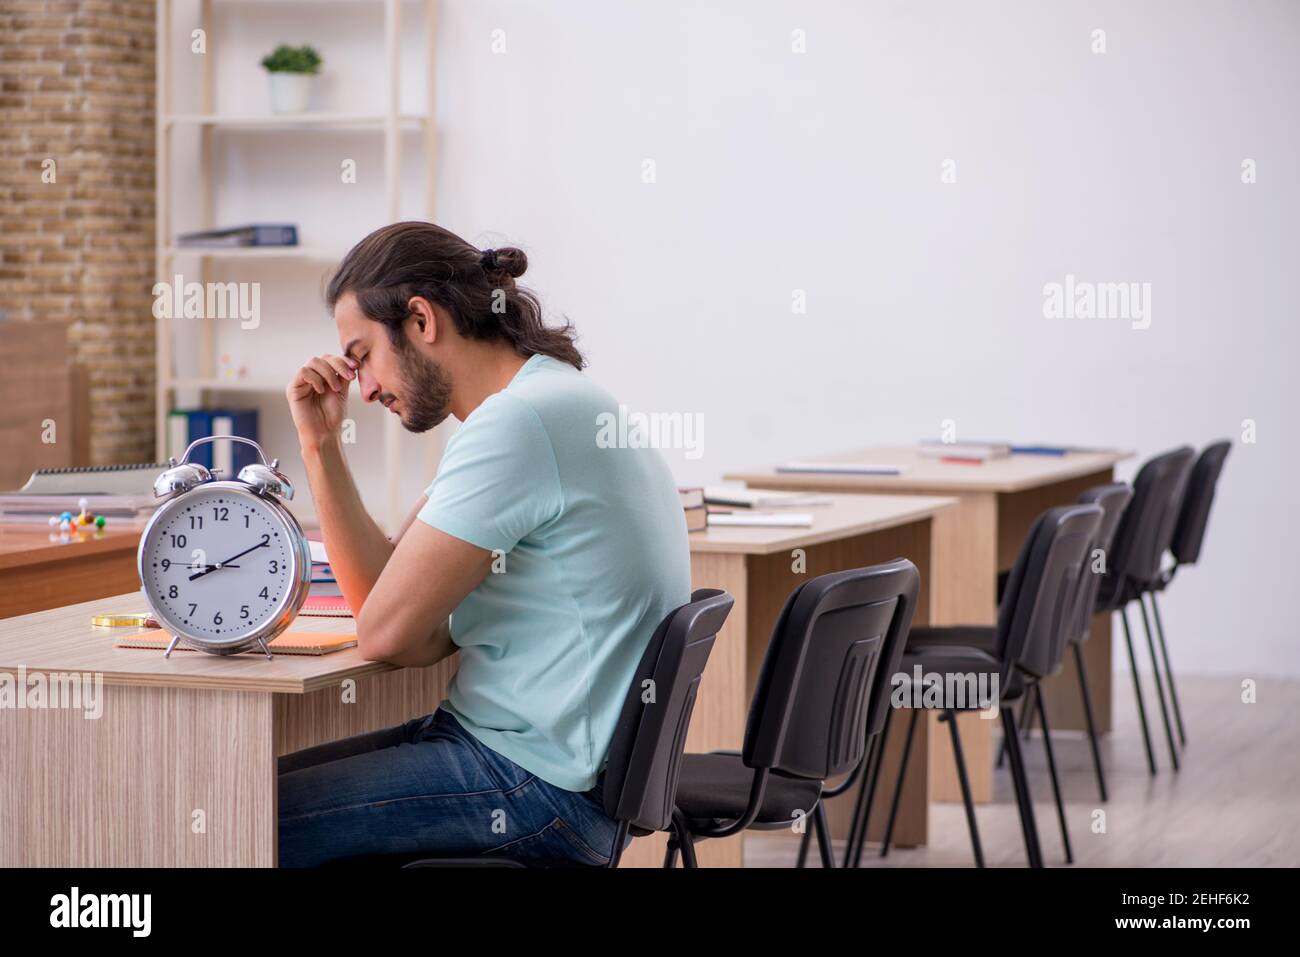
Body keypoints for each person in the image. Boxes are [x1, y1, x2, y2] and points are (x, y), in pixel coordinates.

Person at [277, 221, 690, 867]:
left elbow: (391, 636)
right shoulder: (542, 398)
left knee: (238, 813)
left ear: (420, 319)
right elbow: (387, 601)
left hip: (536, 786)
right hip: (539, 764)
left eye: (362, 358)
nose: (363, 389)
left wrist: (400, 616)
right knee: (246, 788)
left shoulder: (519, 422)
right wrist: (319, 445)